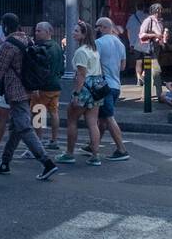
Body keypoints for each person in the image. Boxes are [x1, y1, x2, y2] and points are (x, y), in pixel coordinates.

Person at [0, 12, 59, 180]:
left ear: (5, 27)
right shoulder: (27, 40)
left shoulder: (8, 45)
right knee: (15, 128)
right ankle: (5, 163)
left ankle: (47, 162)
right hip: (29, 88)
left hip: (15, 91)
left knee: (25, 127)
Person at [56, 21, 105, 166]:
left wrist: (76, 94)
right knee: (92, 122)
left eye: (77, 31)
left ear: (84, 34)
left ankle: (69, 153)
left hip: (84, 88)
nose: (73, 33)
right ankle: (95, 155)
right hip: (97, 87)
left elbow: (81, 75)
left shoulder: (81, 52)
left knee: (72, 120)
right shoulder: (93, 49)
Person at [91, 16, 129, 160]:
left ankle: (121, 149)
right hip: (116, 84)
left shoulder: (98, 43)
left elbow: (96, 65)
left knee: (108, 117)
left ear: (103, 27)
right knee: (102, 119)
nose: (96, 29)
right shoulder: (120, 44)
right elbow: (123, 66)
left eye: (97, 26)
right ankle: (93, 145)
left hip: (103, 84)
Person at [23, 21, 64, 156]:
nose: (36, 32)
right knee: (53, 112)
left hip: (43, 87)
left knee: (37, 113)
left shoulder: (42, 48)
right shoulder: (57, 47)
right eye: (36, 30)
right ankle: (54, 140)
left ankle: (37, 141)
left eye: (39, 30)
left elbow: (38, 69)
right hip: (56, 85)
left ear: (48, 32)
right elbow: (61, 68)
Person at [138, 3, 168, 101]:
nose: (160, 12)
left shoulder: (160, 21)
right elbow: (141, 35)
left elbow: (161, 35)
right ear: (154, 10)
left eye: (161, 10)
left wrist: (163, 38)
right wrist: (154, 35)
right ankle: (160, 95)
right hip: (150, 50)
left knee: (151, 73)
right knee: (156, 71)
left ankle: (145, 94)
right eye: (158, 10)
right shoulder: (148, 20)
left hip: (157, 49)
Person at [126, 5, 149, 86]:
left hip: (135, 44)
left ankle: (138, 78)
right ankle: (143, 75)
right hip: (146, 43)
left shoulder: (131, 18)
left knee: (138, 62)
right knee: (148, 62)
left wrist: (130, 43)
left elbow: (128, 31)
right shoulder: (147, 17)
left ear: (136, 8)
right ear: (144, 8)